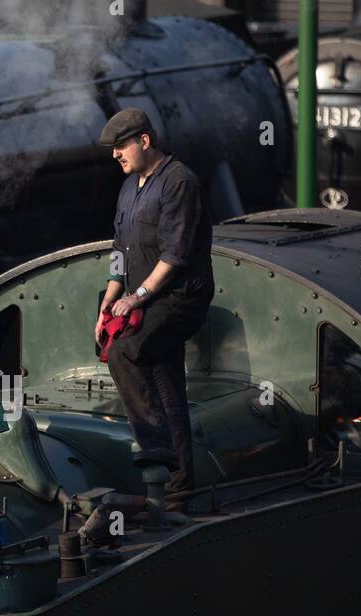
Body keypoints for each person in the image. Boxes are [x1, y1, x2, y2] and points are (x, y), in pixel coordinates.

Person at [96, 108, 214, 493]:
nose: (115, 155)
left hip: (179, 298)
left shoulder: (179, 182)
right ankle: (178, 490)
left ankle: (155, 446)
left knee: (125, 352)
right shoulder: (128, 186)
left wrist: (138, 297)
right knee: (166, 389)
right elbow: (120, 251)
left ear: (144, 141)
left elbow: (175, 255)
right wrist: (109, 302)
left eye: (120, 146)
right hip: (143, 299)